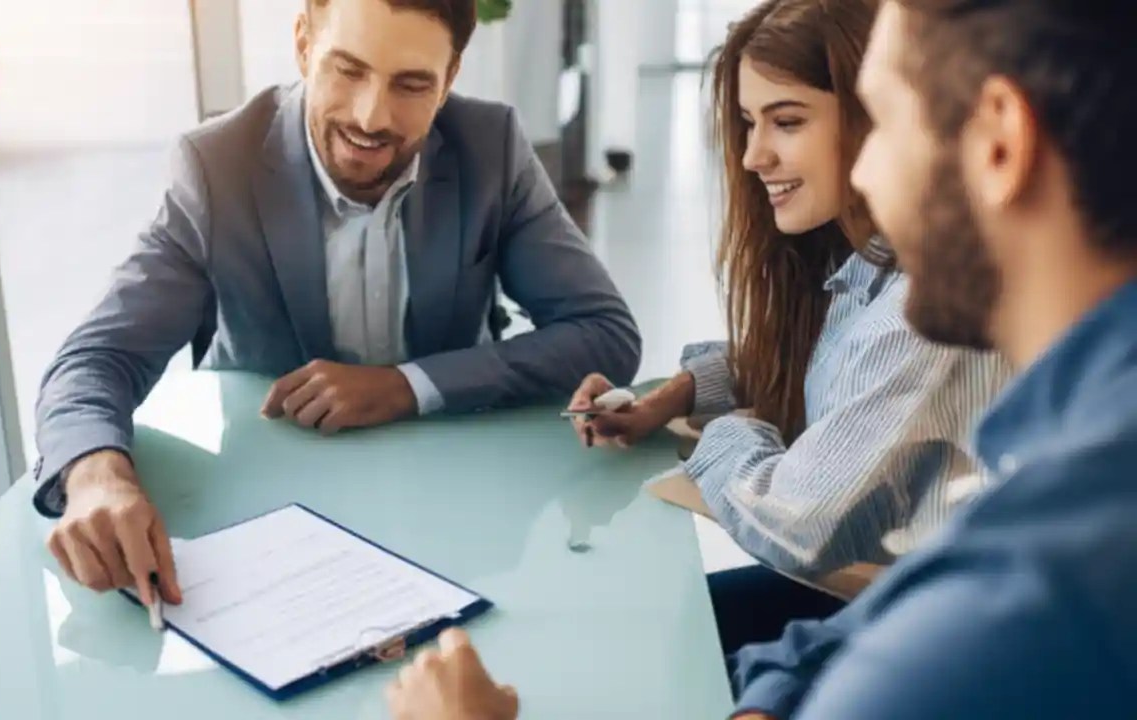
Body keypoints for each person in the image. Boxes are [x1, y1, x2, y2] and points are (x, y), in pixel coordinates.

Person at [385, 0, 1137, 717]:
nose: (866, 174)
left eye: (885, 124)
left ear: (999, 142)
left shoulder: (1041, 577)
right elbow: (906, 595)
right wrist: (774, 692)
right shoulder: (1059, 452)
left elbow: (879, 584)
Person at [35, 0, 641, 604]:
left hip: (454, 500)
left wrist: (405, 386)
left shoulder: (491, 146)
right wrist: (96, 476)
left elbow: (604, 332)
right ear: (303, 44)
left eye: (411, 84)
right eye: (348, 70)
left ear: (450, 76)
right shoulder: (217, 166)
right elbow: (97, 358)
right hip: (273, 512)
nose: (371, 117)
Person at [569, 0, 1006, 653]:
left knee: (648, 642)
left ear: (875, 117)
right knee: (648, 624)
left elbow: (793, 523)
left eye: (788, 121)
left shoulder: (919, 309)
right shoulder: (868, 262)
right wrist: (677, 394)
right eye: (749, 123)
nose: (752, 156)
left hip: (940, 640)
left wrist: (728, 431)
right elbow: (831, 358)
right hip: (892, 599)